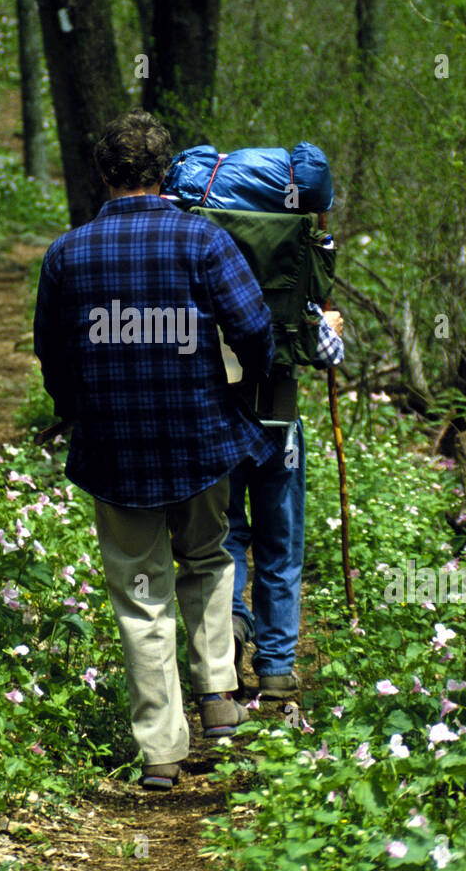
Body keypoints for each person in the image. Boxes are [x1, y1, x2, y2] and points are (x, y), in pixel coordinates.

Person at [34, 110, 277, 790]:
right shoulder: (203, 239)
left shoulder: (67, 253)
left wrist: (75, 407)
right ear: (164, 172)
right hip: (200, 436)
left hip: (114, 448)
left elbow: (53, 353)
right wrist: (246, 381)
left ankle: (161, 750)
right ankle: (219, 699)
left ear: (102, 175)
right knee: (208, 558)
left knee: (140, 594)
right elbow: (253, 327)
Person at [228, 265, 344, 700]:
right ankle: (276, 667)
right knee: (280, 543)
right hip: (280, 421)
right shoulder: (293, 273)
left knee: (226, 535)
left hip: (219, 419)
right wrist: (328, 326)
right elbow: (328, 354)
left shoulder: (206, 255)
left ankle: (230, 625)